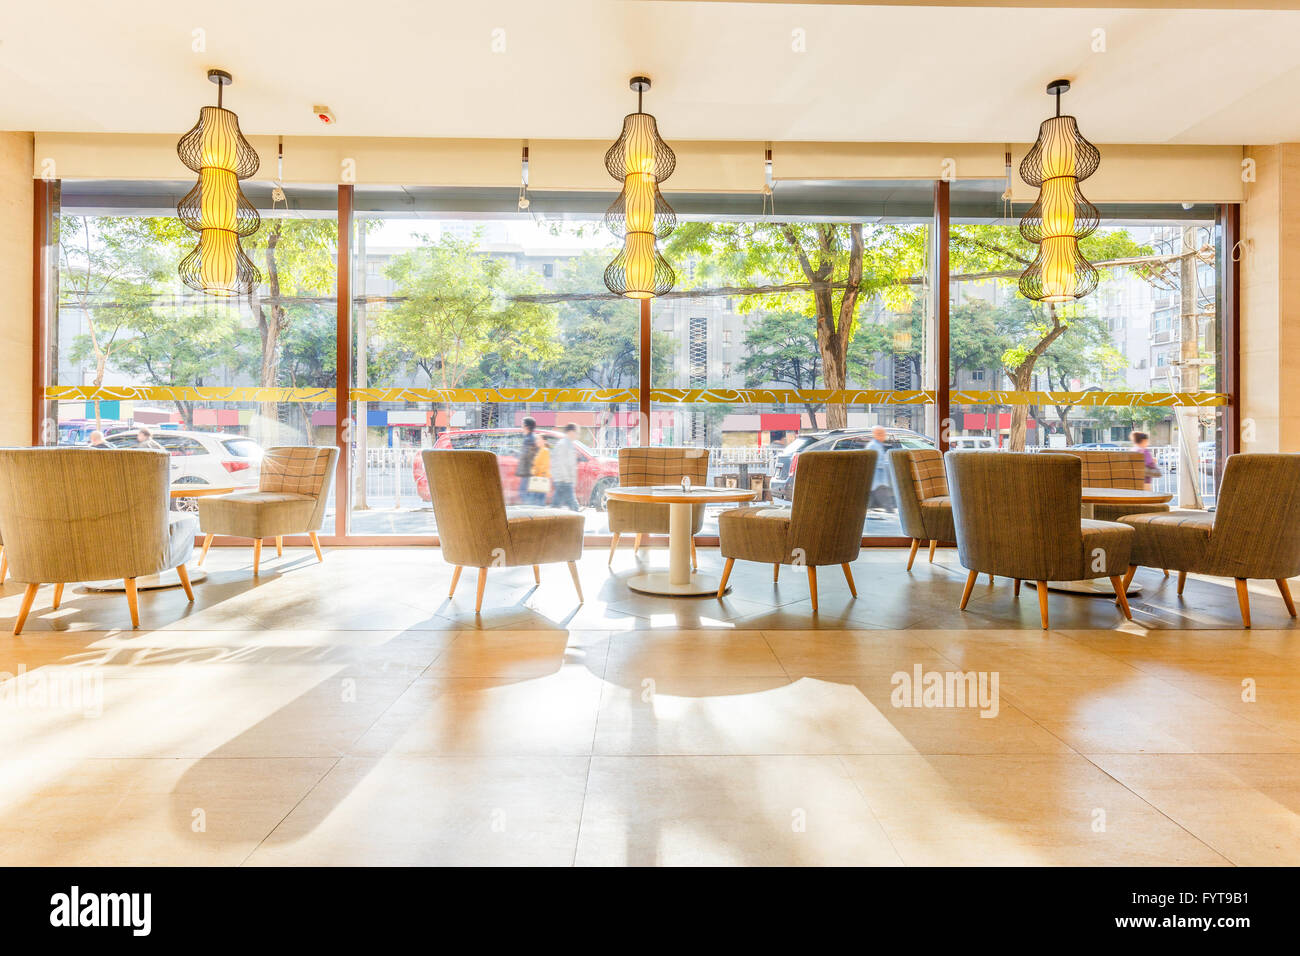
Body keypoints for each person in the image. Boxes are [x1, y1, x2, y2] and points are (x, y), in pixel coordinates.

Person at [550, 423, 580, 511]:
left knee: (556, 505)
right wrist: (568, 480)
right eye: (577, 432)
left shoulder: (567, 444)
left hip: (563, 480)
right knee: (573, 505)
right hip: (564, 480)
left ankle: (551, 520)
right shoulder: (563, 444)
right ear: (571, 432)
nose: (577, 435)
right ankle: (577, 521)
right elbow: (561, 464)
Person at [865, 425, 895, 510]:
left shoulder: (877, 445)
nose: (883, 435)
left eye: (883, 433)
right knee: (883, 498)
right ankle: (889, 510)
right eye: (880, 433)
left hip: (878, 479)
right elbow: (874, 462)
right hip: (877, 479)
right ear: (875, 434)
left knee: (872, 498)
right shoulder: (873, 446)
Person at [515, 417, 538, 504]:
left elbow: (525, 455)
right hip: (530, 470)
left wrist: (515, 454)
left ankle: (529, 508)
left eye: (522, 425)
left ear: (527, 427)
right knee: (527, 492)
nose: (521, 427)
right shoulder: (531, 438)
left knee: (523, 492)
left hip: (528, 470)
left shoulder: (529, 439)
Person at [529, 434, 552, 506]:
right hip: (540, 478)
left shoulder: (544, 450)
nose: (537, 441)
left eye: (538, 439)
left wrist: (534, 471)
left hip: (540, 479)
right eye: (536, 439)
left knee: (538, 502)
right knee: (538, 502)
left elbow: (544, 466)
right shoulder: (542, 450)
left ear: (544, 441)